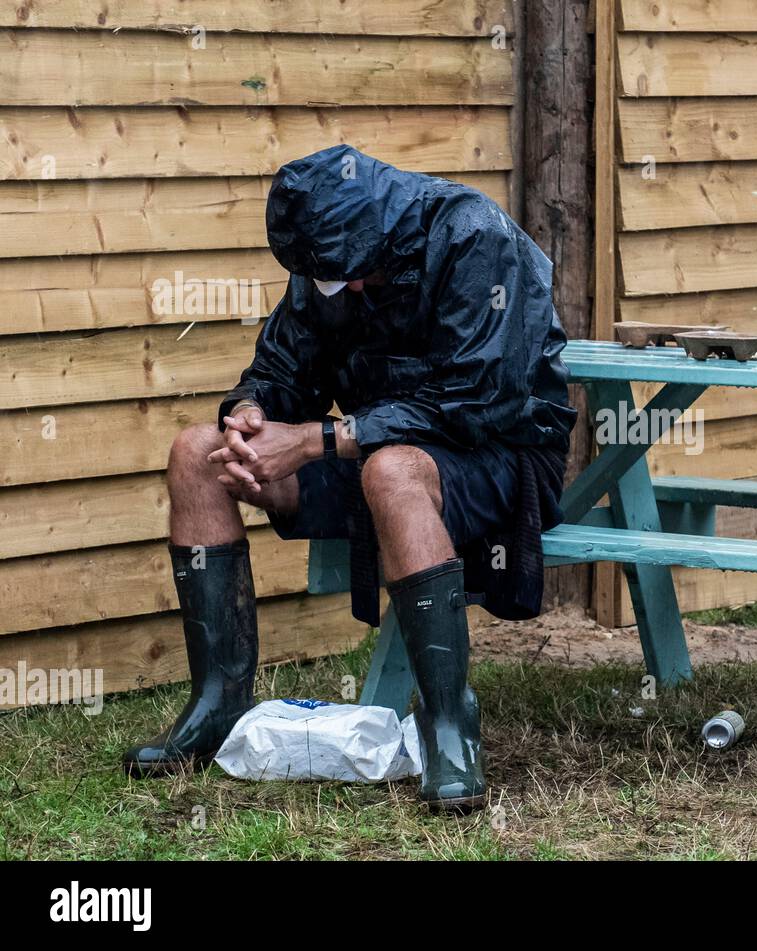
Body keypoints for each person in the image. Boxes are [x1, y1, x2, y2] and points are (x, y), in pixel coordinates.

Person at [123, 145, 577, 813]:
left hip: (498, 460)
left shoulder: (473, 236)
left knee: (392, 469)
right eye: (333, 278)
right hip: (366, 459)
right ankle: (218, 703)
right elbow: (282, 368)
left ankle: (450, 727)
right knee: (196, 452)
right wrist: (252, 412)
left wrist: (317, 438)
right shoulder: (328, 262)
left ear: (383, 229)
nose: (349, 289)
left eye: (356, 273)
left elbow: (480, 400)